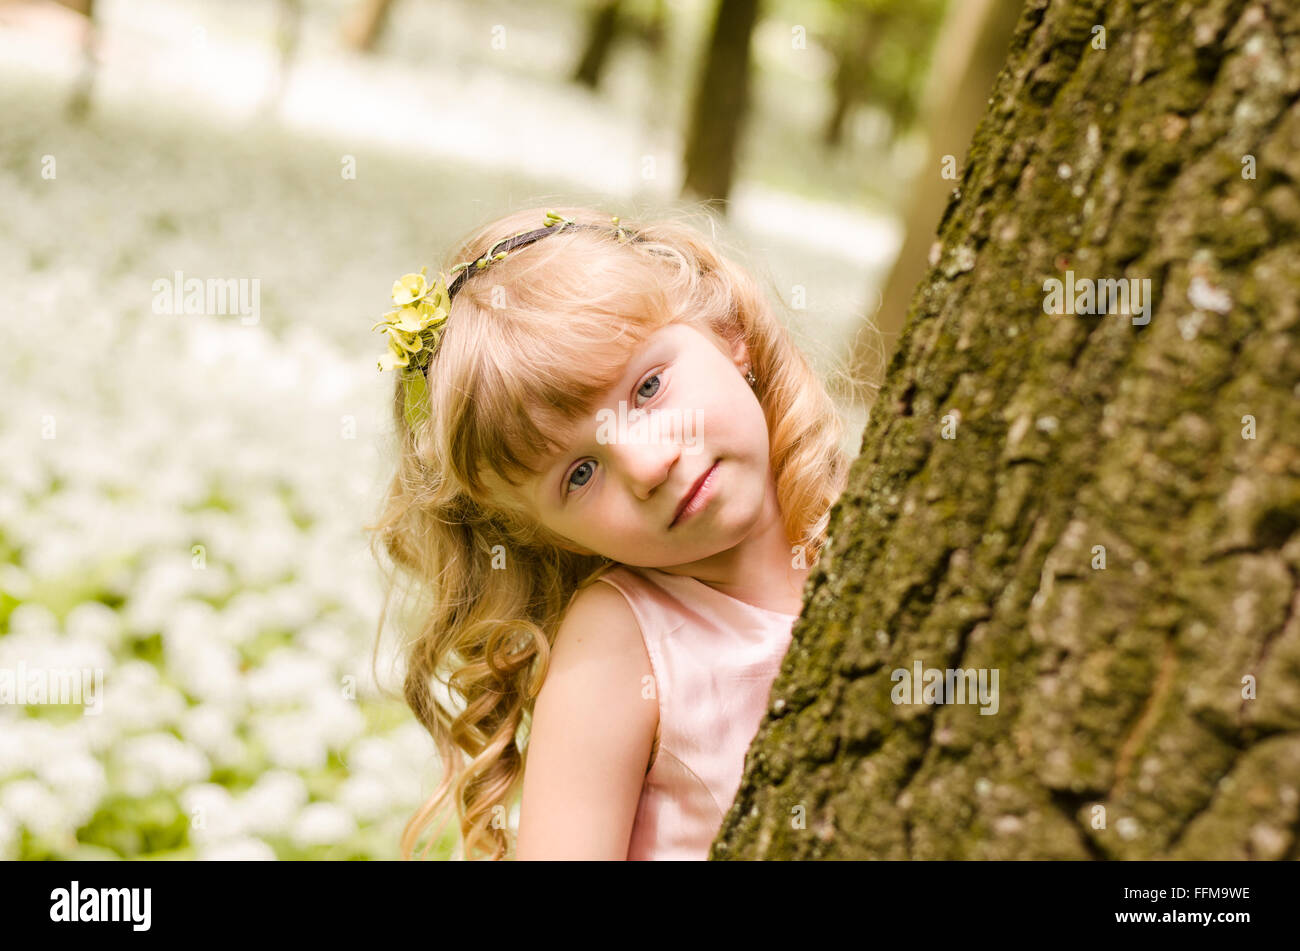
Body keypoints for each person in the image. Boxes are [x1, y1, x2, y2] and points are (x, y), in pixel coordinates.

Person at [365, 205, 853, 860]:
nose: (650, 465)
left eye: (649, 387)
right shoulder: (622, 643)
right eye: (581, 473)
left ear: (728, 331)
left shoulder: (867, 519)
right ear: (552, 535)